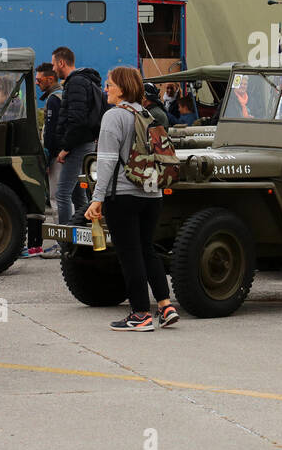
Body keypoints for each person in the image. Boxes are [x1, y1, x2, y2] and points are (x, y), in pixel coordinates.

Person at [84, 66, 177, 332]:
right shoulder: (146, 113)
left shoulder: (114, 116)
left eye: (110, 84)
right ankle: (166, 305)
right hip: (153, 193)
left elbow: (107, 160)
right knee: (147, 249)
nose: (106, 89)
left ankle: (140, 314)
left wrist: (96, 197)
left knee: (129, 253)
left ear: (122, 88)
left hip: (123, 194)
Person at [52, 47, 104, 225]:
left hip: (78, 145)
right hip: (85, 142)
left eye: (53, 64)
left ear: (61, 62)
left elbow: (76, 119)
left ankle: (64, 242)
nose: (53, 69)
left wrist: (66, 148)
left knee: (62, 193)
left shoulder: (75, 83)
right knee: (77, 193)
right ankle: (85, 231)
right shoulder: (84, 81)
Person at [26, 63, 63, 258]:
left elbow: (50, 134)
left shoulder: (54, 99)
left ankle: (60, 244)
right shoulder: (63, 95)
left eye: (39, 80)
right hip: (67, 155)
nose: (37, 83)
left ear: (50, 79)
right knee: (70, 199)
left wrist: (47, 159)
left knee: (57, 199)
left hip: (57, 157)